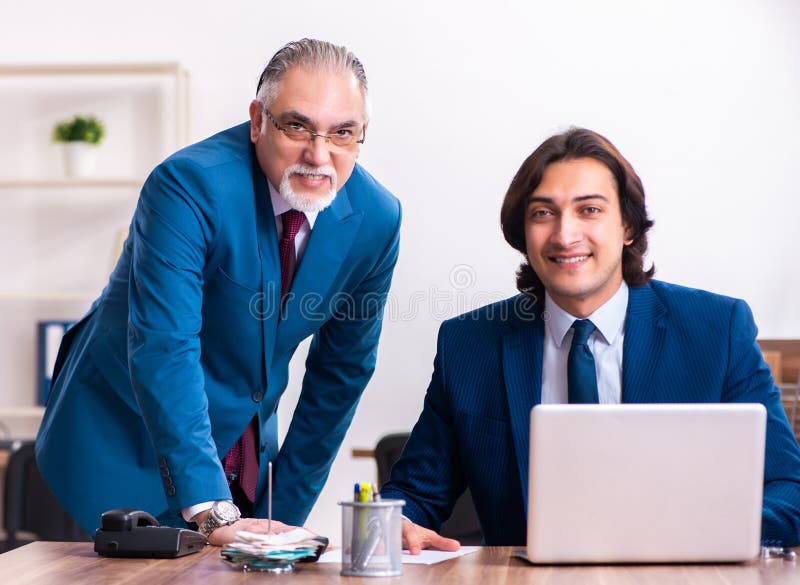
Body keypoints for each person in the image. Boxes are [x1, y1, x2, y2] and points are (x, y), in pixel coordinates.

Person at [35, 38, 401, 545]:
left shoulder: (377, 218)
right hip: (114, 443)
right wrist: (209, 509)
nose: (319, 155)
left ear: (362, 136)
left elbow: (341, 374)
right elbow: (165, 346)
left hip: (240, 454)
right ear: (257, 120)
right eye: (296, 126)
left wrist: (280, 516)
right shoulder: (187, 185)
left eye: (342, 132)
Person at [380, 128, 800, 552]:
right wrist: (396, 524)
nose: (565, 235)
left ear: (628, 226)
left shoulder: (717, 331)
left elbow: (788, 488)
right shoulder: (470, 345)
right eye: (543, 213)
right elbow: (414, 495)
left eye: (589, 210)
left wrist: (700, 532)